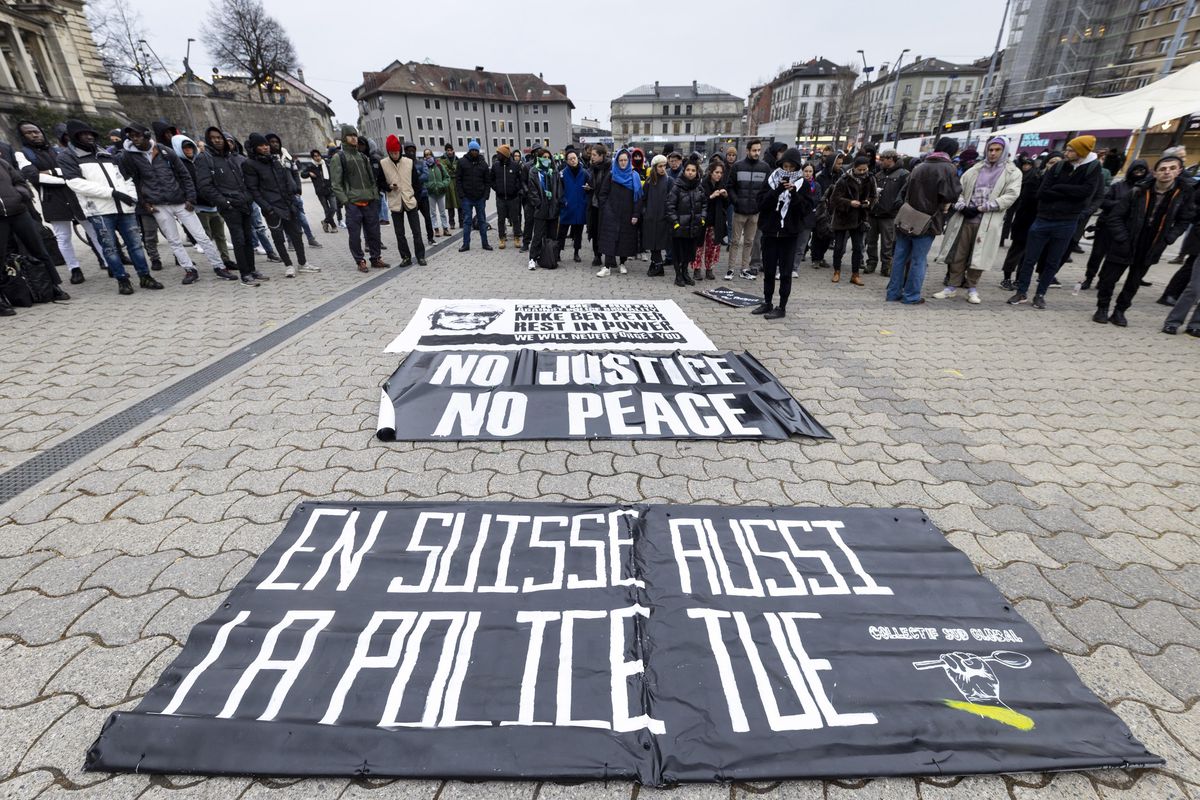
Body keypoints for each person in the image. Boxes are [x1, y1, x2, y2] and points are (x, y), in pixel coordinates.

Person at [59, 119, 162, 295]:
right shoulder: (67, 157)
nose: (89, 137)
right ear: (73, 137)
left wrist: (131, 196)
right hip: (99, 210)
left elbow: (126, 177)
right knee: (110, 248)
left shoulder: (105, 153)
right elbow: (76, 183)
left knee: (136, 245)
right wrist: (113, 193)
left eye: (91, 134)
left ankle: (145, 276)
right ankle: (122, 280)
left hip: (124, 207)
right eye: (83, 135)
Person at [120, 124, 226, 285]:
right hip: (157, 205)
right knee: (174, 240)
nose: (135, 139)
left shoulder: (164, 151)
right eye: (132, 136)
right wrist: (145, 204)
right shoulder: (129, 156)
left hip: (180, 201)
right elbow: (133, 181)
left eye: (138, 135)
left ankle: (219, 267)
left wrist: (191, 198)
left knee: (202, 237)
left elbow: (184, 175)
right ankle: (189, 269)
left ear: (146, 135)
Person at [1094, 156, 1194, 326]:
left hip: (1151, 245)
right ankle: (1102, 308)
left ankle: (1120, 311)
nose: (1167, 172)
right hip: (1125, 242)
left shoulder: (1182, 195)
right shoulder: (1138, 191)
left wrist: (1170, 237)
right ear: (1154, 173)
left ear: (1178, 171)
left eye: (1172, 168)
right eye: (1163, 169)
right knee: (1108, 279)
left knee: (1133, 282)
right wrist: (1121, 237)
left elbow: (1184, 219)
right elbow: (1116, 216)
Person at [1007, 135, 1103, 309]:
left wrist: (1059, 188)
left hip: (1067, 222)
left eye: (1071, 150)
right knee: (1029, 258)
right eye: (1067, 148)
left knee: (1053, 261)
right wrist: (1069, 193)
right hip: (1043, 219)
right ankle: (1021, 291)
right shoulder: (1058, 167)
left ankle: (1040, 294)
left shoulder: (1092, 169)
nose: (1067, 152)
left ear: (1081, 152)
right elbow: (1043, 192)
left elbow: (1086, 193)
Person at [931, 136, 1021, 304]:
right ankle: (951, 286)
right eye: (990, 149)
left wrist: (983, 207)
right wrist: (962, 206)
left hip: (987, 221)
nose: (993, 153)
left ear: (1005, 151)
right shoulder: (975, 169)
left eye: (997, 150)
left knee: (978, 256)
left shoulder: (1012, 172)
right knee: (959, 253)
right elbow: (959, 188)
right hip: (965, 219)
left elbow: (1011, 195)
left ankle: (972, 288)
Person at [886, 136, 962, 305]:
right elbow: (951, 194)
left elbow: (905, 191)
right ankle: (911, 296)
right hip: (928, 220)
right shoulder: (948, 168)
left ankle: (893, 292)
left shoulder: (920, 166)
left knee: (899, 257)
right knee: (918, 261)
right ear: (952, 151)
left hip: (907, 217)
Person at [14, 120, 88, 285]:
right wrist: (66, 179)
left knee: (92, 230)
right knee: (63, 237)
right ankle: (74, 268)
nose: (35, 135)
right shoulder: (22, 154)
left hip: (74, 196)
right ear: (22, 136)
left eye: (37, 131)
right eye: (29, 132)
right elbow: (34, 176)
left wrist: (52, 172)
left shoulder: (56, 149)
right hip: (52, 199)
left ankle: (106, 261)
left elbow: (74, 169)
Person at [0, 154, 68, 312]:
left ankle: (53, 286)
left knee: (39, 249)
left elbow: (20, 182)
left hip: (19, 212)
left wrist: (20, 195)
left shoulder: (3, 163)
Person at [194, 126, 259, 286]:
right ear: (208, 140)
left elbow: (243, 180)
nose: (217, 140)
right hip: (230, 206)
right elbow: (205, 187)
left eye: (219, 137)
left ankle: (252, 270)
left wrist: (248, 197)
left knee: (249, 238)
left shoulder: (230, 157)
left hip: (244, 203)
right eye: (213, 137)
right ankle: (245, 274)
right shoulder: (205, 158)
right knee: (239, 240)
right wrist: (225, 202)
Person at [751, 148, 812, 319]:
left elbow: (806, 210)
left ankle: (782, 307)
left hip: (789, 235)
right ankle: (767, 301)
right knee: (769, 271)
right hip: (770, 232)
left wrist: (793, 194)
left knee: (785, 273)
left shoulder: (802, 184)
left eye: (792, 167)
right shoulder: (771, 179)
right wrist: (777, 190)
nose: (788, 171)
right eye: (785, 166)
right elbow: (761, 204)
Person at [243, 132, 310, 278]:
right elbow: (253, 190)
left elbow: (285, 181)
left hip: (287, 204)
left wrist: (292, 200)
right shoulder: (249, 164)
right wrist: (267, 207)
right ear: (254, 148)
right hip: (272, 208)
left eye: (266, 145)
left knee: (297, 235)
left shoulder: (275, 160)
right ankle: (288, 265)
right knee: (279, 238)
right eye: (261, 146)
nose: (265, 147)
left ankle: (303, 263)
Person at [171, 134, 237, 279]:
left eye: (190, 146)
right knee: (204, 238)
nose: (188, 150)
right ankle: (215, 265)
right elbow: (186, 185)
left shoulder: (201, 160)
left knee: (220, 235)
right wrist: (191, 200)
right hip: (198, 207)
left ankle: (225, 261)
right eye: (184, 147)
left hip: (213, 204)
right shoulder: (178, 165)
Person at [1082, 159, 1148, 290]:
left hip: (1126, 229)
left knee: (1112, 257)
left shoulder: (1146, 191)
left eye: (1142, 171)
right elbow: (1103, 201)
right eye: (1136, 170)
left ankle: (1103, 280)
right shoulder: (1118, 186)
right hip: (1106, 225)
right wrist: (1122, 205)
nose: (1138, 173)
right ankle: (1089, 277)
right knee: (1097, 254)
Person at [330, 125, 388, 272]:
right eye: (350, 135)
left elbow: (371, 180)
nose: (354, 138)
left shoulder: (363, 157)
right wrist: (346, 201)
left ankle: (376, 258)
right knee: (355, 235)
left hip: (369, 201)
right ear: (343, 138)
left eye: (355, 135)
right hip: (353, 203)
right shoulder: (339, 157)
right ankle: (360, 260)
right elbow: (336, 184)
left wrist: (374, 196)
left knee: (374, 233)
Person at [265, 132, 320, 249]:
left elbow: (295, 174)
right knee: (286, 220)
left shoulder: (287, 158)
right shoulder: (268, 160)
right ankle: (290, 241)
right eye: (272, 142)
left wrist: (298, 189)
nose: (275, 144)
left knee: (302, 219)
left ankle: (310, 238)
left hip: (293, 195)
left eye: (276, 142)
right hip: (279, 197)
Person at [726, 139, 770, 281]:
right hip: (739, 211)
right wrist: (736, 202)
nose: (757, 153)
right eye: (754, 150)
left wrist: (761, 205)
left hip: (755, 212)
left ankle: (744, 268)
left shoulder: (765, 167)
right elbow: (730, 186)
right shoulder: (738, 166)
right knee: (735, 241)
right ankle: (730, 269)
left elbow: (767, 189)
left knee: (749, 241)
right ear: (747, 151)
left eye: (759, 150)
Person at [380, 134, 426, 267]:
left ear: (400, 150)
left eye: (397, 152)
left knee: (416, 231)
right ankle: (406, 257)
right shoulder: (383, 163)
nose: (395, 155)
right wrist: (389, 187)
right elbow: (380, 182)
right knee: (399, 233)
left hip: (410, 200)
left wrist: (415, 198)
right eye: (392, 153)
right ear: (388, 152)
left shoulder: (409, 162)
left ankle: (421, 256)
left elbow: (417, 183)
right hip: (395, 202)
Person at [829, 156, 877, 285]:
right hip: (842, 218)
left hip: (859, 217)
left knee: (858, 247)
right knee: (838, 247)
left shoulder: (870, 178)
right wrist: (850, 202)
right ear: (854, 168)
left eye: (864, 169)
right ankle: (836, 271)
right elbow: (834, 199)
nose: (862, 172)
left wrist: (868, 202)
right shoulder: (843, 180)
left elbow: (874, 196)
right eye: (859, 170)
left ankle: (855, 274)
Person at [1000, 154, 1044, 290]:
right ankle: (1007, 278)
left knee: (1028, 254)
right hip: (1023, 220)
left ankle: (1020, 279)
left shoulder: (1046, 179)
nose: (1026, 167)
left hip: (1038, 221)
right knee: (1017, 250)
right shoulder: (1032, 179)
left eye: (1028, 165)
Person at [596, 148, 643, 277]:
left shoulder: (634, 176)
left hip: (627, 214)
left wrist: (635, 214)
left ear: (629, 161)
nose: (623, 163)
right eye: (620, 160)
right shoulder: (612, 175)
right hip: (611, 213)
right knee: (609, 240)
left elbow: (638, 198)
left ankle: (622, 263)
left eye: (625, 160)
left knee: (625, 239)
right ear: (616, 161)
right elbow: (603, 194)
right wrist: (606, 208)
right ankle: (607, 266)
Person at [866, 149, 909, 277]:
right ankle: (871, 263)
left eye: (883, 159)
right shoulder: (879, 175)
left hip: (890, 215)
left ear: (891, 159)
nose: (880, 162)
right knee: (871, 241)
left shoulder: (903, 174)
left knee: (887, 243)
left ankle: (886, 266)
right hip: (874, 213)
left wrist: (897, 208)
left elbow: (905, 194)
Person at [666, 158, 705, 287]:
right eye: (688, 170)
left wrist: (702, 218)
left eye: (693, 170)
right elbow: (670, 206)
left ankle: (685, 272)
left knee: (689, 252)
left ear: (697, 172)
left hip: (693, 226)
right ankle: (678, 275)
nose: (690, 172)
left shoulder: (699, 187)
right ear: (684, 171)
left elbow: (704, 204)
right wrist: (675, 222)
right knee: (678, 252)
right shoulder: (677, 187)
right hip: (679, 227)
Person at [526, 147, 563, 270]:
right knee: (538, 235)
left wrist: (557, 201)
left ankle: (550, 256)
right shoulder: (534, 171)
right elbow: (532, 190)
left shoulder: (554, 172)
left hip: (553, 208)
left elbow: (558, 189)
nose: (546, 159)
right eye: (544, 157)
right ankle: (532, 258)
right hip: (541, 208)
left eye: (548, 157)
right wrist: (538, 203)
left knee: (552, 235)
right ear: (539, 158)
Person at [693, 159, 729, 281]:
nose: (719, 175)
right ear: (711, 172)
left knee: (713, 247)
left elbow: (726, 205)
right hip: (703, 220)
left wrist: (725, 196)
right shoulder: (703, 184)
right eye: (716, 172)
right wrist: (711, 197)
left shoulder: (722, 184)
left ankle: (709, 269)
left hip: (716, 221)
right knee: (699, 246)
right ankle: (696, 269)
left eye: (721, 173)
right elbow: (698, 202)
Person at [455, 140, 492, 252]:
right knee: (467, 221)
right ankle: (466, 244)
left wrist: (486, 196)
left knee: (482, 221)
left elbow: (487, 181)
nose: (475, 152)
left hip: (480, 198)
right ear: (469, 150)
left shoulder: (483, 164)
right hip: (467, 198)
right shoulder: (462, 162)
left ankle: (485, 243)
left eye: (476, 150)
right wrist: (461, 195)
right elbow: (458, 180)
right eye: (473, 150)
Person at [641, 154, 674, 277]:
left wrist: (668, 214)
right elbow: (643, 199)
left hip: (663, 218)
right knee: (651, 244)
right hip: (650, 218)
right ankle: (657, 265)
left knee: (658, 244)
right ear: (654, 167)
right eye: (660, 166)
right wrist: (645, 212)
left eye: (664, 166)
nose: (663, 168)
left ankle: (657, 265)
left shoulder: (669, 181)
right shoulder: (649, 181)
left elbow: (672, 199)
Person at [556, 148, 589, 263]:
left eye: (574, 158)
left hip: (580, 207)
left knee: (578, 232)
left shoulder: (584, 172)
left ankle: (576, 253)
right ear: (566, 161)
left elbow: (590, 186)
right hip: (567, 207)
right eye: (570, 159)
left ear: (577, 158)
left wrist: (587, 194)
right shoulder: (562, 173)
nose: (573, 160)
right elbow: (559, 190)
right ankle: (558, 253)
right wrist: (563, 201)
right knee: (562, 232)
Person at [491, 144, 524, 249]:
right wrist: (497, 188)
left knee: (515, 218)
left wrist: (516, 189)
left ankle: (517, 237)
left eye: (499, 153)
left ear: (504, 155)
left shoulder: (515, 165)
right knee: (501, 219)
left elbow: (520, 179)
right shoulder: (495, 166)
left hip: (513, 198)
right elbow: (491, 179)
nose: (497, 155)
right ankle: (502, 238)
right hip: (500, 198)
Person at [405, 143, 436, 243]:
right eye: (409, 151)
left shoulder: (421, 163)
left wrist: (414, 180)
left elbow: (426, 176)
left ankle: (430, 237)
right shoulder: (404, 164)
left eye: (413, 150)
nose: (411, 152)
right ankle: (417, 239)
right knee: (414, 220)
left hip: (422, 195)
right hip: (411, 196)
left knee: (427, 217)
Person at [302, 149, 338, 233]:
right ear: (312, 157)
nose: (317, 157)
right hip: (320, 192)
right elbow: (302, 174)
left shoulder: (326, 163)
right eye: (315, 156)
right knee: (326, 209)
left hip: (330, 190)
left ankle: (325, 221)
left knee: (334, 208)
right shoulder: (311, 166)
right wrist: (309, 173)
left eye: (318, 155)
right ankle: (333, 226)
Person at [586, 145, 610, 266]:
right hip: (594, 204)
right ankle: (597, 255)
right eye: (591, 155)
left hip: (606, 206)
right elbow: (591, 183)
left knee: (605, 231)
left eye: (594, 155)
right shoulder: (592, 168)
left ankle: (609, 256)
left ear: (601, 155)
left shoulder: (609, 168)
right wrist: (588, 187)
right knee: (594, 231)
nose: (592, 157)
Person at [424, 148, 451, 236]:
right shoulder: (424, 167)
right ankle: (436, 229)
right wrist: (428, 185)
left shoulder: (439, 165)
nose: (428, 156)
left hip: (441, 192)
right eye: (426, 155)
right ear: (424, 157)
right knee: (433, 213)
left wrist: (443, 184)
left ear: (432, 155)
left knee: (442, 212)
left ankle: (445, 228)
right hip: (431, 193)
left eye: (429, 154)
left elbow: (447, 177)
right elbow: (423, 180)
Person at [440, 143, 460, 229]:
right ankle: (452, 223)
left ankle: (462, 221)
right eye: (447, 150)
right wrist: (453, 170)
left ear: (453, 150)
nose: (449, 152)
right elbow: (445, 171)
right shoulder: (442, 159)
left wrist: (453, 170)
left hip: (457, 182)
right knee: (450, 205)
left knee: (460, 203)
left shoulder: (457, 159)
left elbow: (458, 170)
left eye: (450, 150)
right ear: (446, 151)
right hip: (448, 183)